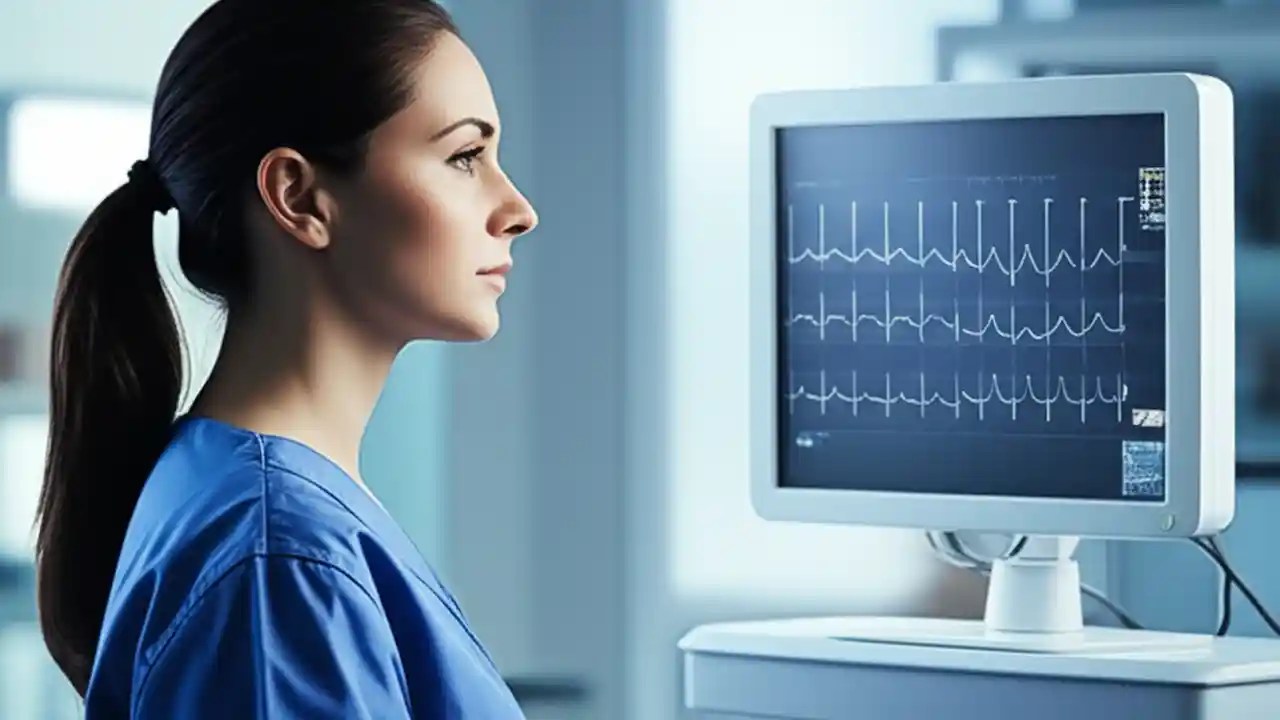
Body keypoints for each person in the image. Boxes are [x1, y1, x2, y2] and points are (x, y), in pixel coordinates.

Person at [34, 1, 537, 716]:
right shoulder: (280, 559)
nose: (518, 208)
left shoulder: (250, 500)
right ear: (299, 196)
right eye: (464, 156)